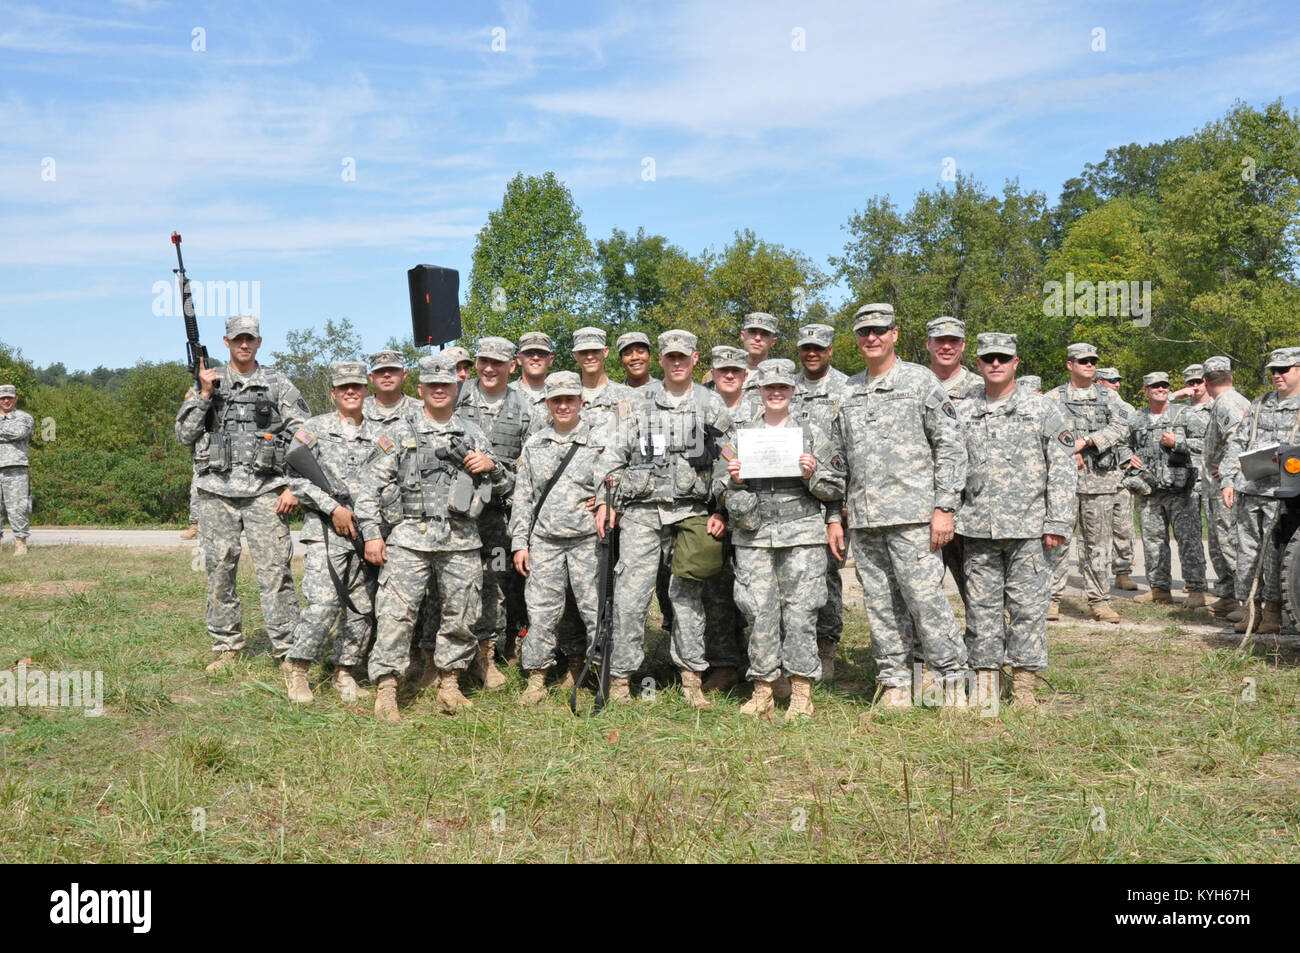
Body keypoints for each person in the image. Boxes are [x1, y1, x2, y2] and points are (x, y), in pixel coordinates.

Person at [827, 303, 970, 709]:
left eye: (879, 330)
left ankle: (951, 680)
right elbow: (838, 460)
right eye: (864, 332)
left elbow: (949, 445)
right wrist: (834, 517)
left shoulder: (919, 382)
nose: (871, 337)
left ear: (894, 333)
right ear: (856, 339)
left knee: (925, 601)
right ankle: (894, 682)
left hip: (913, 517)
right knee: (880, 604)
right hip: (866, 519)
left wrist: (945, 507)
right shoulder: (848, 391)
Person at [354, 353, 509, 720]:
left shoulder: (472, 433)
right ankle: (388, 689)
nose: (440, 390)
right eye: (432, 385)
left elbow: (506, 484)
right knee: (396, 614)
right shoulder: (400, 431)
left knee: (461, 613)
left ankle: (449, 683)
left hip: (461, 539)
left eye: (447, 385)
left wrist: (491, 466)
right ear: (420, 388)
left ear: (457, 387)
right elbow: (367, 488)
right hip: (409, 537)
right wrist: (373, 535)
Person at [595, 329, 735, 707]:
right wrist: (605, 502)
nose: (676, 362)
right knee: (630, 596)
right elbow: (611, 457)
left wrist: (721, 509)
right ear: (661, 360)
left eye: (683, 356)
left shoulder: (711, 404)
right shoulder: (637, 404)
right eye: (670, 356)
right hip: (642, 513)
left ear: (694, 359)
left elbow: (728, 463)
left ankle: (691, 678)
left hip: (692, 512)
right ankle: (622, 680)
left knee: (687, 596)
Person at [174, 315, 308, 673]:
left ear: (259, 342)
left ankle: (287, 649)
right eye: (237, 339)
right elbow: (184, 435)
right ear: (226, 342)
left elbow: (306, 436)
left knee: (276, 572)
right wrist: (204, 394)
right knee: (219, 571)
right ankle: (227, 645)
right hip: (216, 492)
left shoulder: (278, 383)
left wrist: (295, 485)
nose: (244, 344)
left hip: (266, 491)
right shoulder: (209, 381)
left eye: (250, 339)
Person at [720, 359, 843, 719]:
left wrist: (813, 473)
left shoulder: (812, 434)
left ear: (793, 391)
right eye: (769, 388)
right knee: (759, 612)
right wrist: (734, 480)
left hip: (802, 535)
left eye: (783, 388)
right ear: (759, 391)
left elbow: (837, 486)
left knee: (802, 614)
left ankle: (801, 692)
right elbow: (716, 486)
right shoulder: (740, 435)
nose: (775, 393)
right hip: (754, 536)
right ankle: (763, 690)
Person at [957, 334, 1075, 710]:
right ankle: (987, 685)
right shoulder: (961, 410)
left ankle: (1024, 688)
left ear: (1016, 362)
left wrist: (1057, 521)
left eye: (1003, 358)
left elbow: (1061, 468)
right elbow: (949, 465)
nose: (996, 364)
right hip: (976, 529)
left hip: (1030, 530)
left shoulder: (1042, 409)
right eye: (989, 358)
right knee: (981, 610)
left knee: (1028, 609)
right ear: (978, 363)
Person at [284, 361, 381, 704]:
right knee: (323, 603)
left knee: (361, 608)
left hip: (365, 532)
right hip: (326, 531)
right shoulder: (314, 429)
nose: (351, 392)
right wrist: (333, 508)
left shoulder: (381, 433)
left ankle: (346, 671)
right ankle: (298, 669)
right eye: (344, 388)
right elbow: (295, 477)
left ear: (366, 391)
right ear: (333, 393)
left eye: (357, 386)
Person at [510, 371, 603, 704]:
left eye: (570, 400)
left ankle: (593, 671)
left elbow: (614, 481)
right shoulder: (535, 444)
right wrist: (520, 543)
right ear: (547, 403)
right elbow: (523, 497)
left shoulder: (597, 441)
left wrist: (606, 500)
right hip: (545, 541)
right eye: (556, 400)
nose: (563, 406)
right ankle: (537, 677)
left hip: (587, 539)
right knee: (543, 611)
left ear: (581, 401)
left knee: (591, 609)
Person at [455, 337, 533, 688]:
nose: (489, 368)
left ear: (512, 365)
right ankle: (445, 658)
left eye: (498, 363)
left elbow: (533, 472)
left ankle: (486, 656)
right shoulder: (454, 396)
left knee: (495, 585)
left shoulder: (527, 409)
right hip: (455, 514)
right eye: (484, 361)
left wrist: (494, 469)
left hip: (499, 516)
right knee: (452, 583)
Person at [1043, 343, 1130, 623]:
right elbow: (1042, 432)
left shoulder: (1110, 397)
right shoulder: (1052, 398)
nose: (1089, 365)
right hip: (1062, 484)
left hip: (1100, 483)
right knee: (1057, 543)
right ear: (1070, 365)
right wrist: (1070, 452)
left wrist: (1089, 442)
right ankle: (1051, 600)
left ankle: (1099, 601)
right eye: (1083, 361)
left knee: (1097, 545)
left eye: (1093, 361)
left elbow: (1123, 425)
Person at [1218, 347, 1300, 635]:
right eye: (1273, 371)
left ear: (1298, 369)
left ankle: (1274, 613)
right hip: (1249, 489)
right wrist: (1228, 479)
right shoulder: (1260, 404)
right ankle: (1251, 610)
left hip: (1283, 495)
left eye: (1284, 369)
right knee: (1247, 553)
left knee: (1276, 555)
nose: (1277, 375)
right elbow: (1238, 443)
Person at [792, 323, 849, 679]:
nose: (812, 353)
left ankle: (826, 648)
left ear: (830, 349)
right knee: (795, 580)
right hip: (789, 501)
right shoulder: (786, 386)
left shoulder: (848, 388)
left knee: (827, 574)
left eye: (819, 348)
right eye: (806, 348)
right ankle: (795, 653)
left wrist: (841, 507)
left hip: (833, 498)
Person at [1122, 372, 1207, 606]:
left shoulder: (1185, 414)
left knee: (1189, 540)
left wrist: (1177, 443)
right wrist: (1128, 458)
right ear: (1145, 390)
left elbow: (1205, 444)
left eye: (1164, 386)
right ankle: (1159, 589)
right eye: (1155, 386)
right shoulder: (1136, 419)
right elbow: (1122, 444)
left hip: (1181, 492)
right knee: (1153, 541)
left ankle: (1197, 590)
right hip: (1150, 491)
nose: (1161, 389)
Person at [699, 346, 752, 693]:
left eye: (736, 370)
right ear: (713, 375)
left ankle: (761, 665)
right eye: (722, 370)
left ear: (746, 376)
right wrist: (717, 508)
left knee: (753, 593)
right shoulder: (701, 412)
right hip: (710, 512)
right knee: (716, 592)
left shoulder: (762, 412)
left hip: (753, 516)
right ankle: (723, 664)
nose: (729, 375)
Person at [1201, 356, 1252, 619]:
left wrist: (1226, 470)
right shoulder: (1232, 400)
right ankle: (1229, 595)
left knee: (1230, 541)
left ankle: (1247, 604)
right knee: (1221, 542)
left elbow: (1237, 440)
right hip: (1222, 484)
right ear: (1230, 377)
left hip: (1227, 486)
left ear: (1206, 382)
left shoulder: (1227, 403)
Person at [1095, 368, 1139, 592]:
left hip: (1119, 476)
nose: (1117, 384)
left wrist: (1134, 457)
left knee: (1123, 528)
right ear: (1099, 382)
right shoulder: (1088, 407)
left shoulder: (1126, 409)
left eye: (1119, 380)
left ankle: (1122, 572)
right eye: (1112, 380)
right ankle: (1095, 575)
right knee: (1095, 533)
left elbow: (1136, 438)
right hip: (1093, 478)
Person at [0, 384, 34, 556]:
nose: (6, 400)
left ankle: (20, 543)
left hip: (15, 467)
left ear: (15, 399)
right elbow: (10, 434)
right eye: (2, 397)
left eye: (9, 397)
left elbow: (19, 433)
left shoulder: (24, 417)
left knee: (18, 507)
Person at [513, 331, 555, 431]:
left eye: (542, 354)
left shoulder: (561, 396)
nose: (535, 357)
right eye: (529, 353)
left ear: (551, 360)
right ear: (519, 359)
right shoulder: (506, 394)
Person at [738, 312, 778, 400]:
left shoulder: (780, 380)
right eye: (753, 332)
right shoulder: (719, 374)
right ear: (743, 336)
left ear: (773, 342)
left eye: (765, 334)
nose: (758, 338)